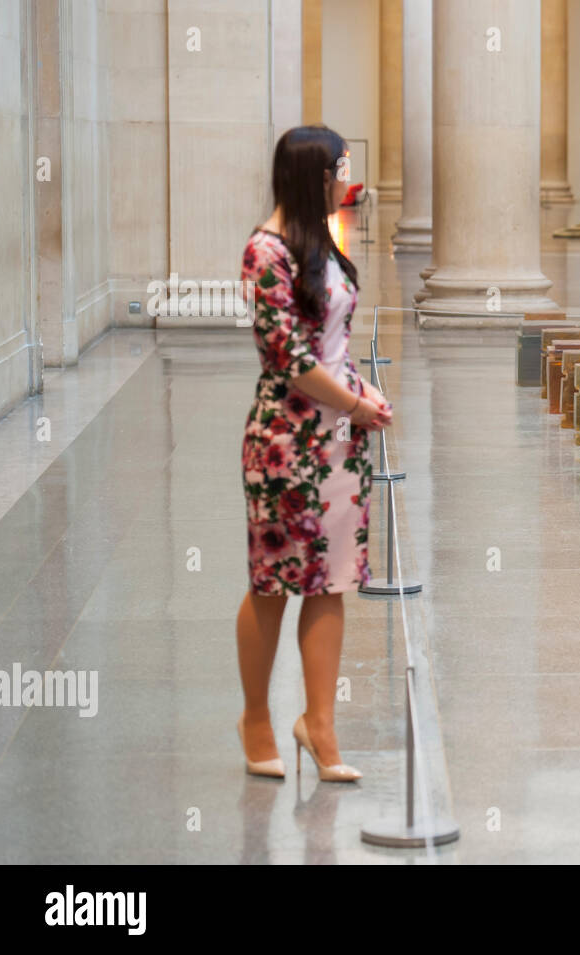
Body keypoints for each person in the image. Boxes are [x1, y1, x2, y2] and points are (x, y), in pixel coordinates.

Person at [235, 125, 392, 783]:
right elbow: (290, 359)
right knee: (274, 582)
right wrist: (353, 402)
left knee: (330, 583)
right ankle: (255, 718)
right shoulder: (263, 252)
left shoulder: (321, 246)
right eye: (339, 171)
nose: (346, 184)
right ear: (312, 175)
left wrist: (362, 389)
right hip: (284, 443)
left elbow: (332, 342)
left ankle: (319, 725)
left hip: (337, 442)